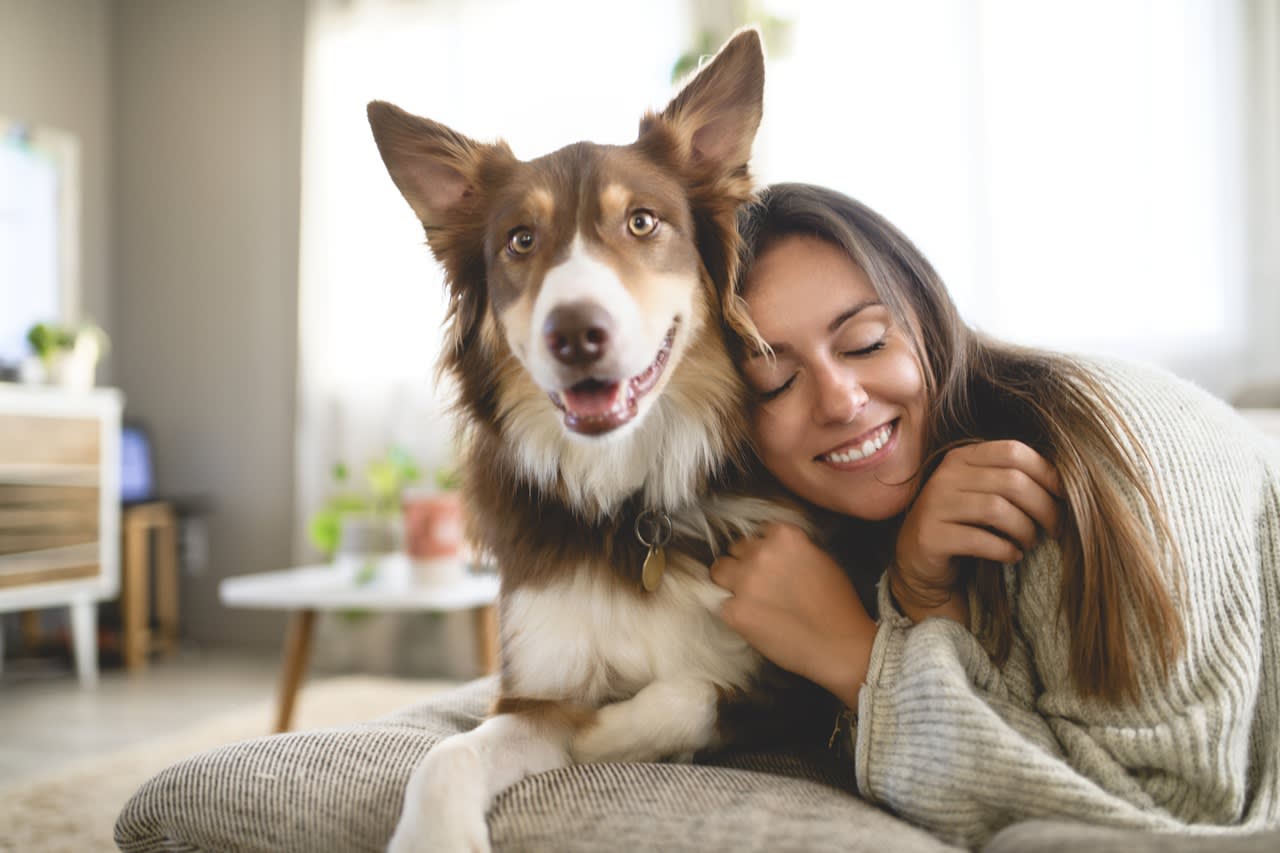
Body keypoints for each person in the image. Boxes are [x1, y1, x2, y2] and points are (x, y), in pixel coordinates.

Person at [709, 182, 1280, 847]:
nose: (839, 399)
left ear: (927, 313)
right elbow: (1033, 741)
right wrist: (923, 596)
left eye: (864, 342)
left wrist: (856, 656)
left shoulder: (1096, 459)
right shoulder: (867, 532)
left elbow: (1170, 810)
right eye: (773, 383)